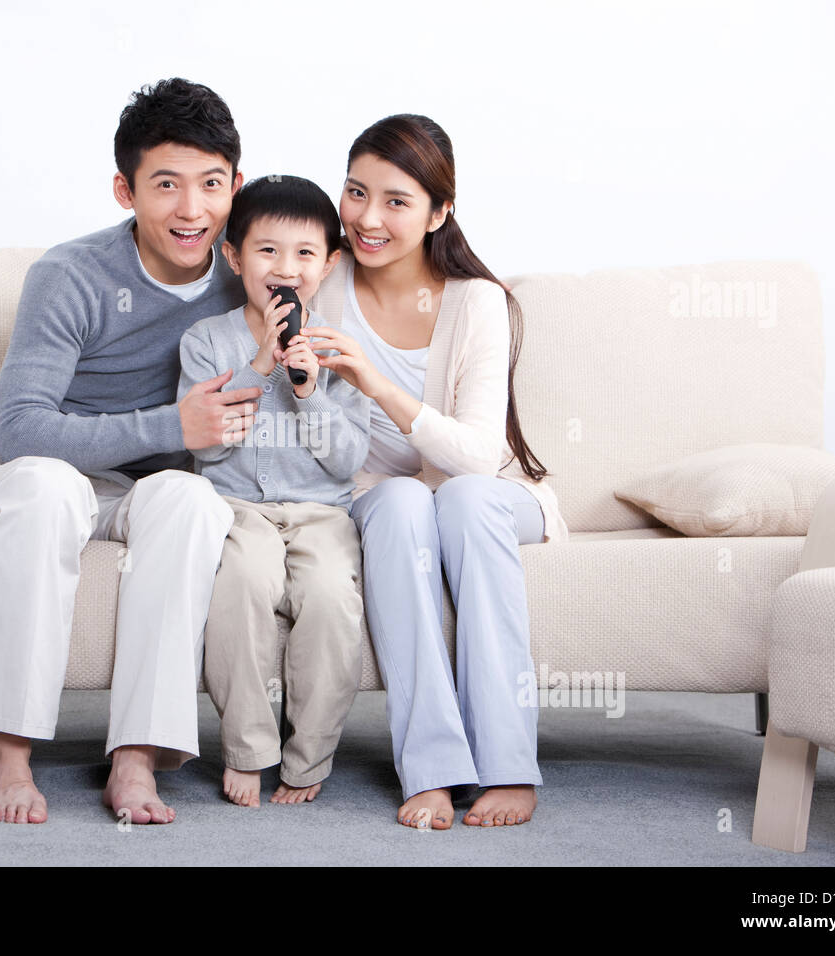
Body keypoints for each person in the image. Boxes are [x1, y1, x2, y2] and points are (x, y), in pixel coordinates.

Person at [0, 78, 259, 825]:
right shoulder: (71, 275)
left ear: (236, 186)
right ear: (125, 190)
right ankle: (8, 751)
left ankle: (137, 756)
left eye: (212, 185)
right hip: (24, 478)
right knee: (52, 488)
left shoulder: (245, 279)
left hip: (135, 494)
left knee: (190, 499)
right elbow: (21, 428)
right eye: (166, 186)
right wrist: (171, 428)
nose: (192, 210)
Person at [304, 114, 570, 830]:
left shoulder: (478, 301)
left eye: (396, 201)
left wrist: (375, 381)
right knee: (396, 502)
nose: (366, 218)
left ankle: (509, 764)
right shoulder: (323, 285)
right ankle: (431, 767)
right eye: (356, 193)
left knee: (464, 500)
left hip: (489, 495)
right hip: (381, 499)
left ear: (439, 212)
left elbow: (478, 457)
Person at [177, 175, 371, 808]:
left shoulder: (341, 351)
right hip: (237, 509)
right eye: (267, 251)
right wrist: (261, 369)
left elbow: (347, 462)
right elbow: (207, 448)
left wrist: (311, 389)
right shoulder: (208, 341)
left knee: (330, 601)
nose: (285, 268)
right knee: (242, 585)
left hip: (322, 513)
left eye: (304, 254)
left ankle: (309, 753)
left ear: (329, 264)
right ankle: (248, 746)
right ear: (233, 256)